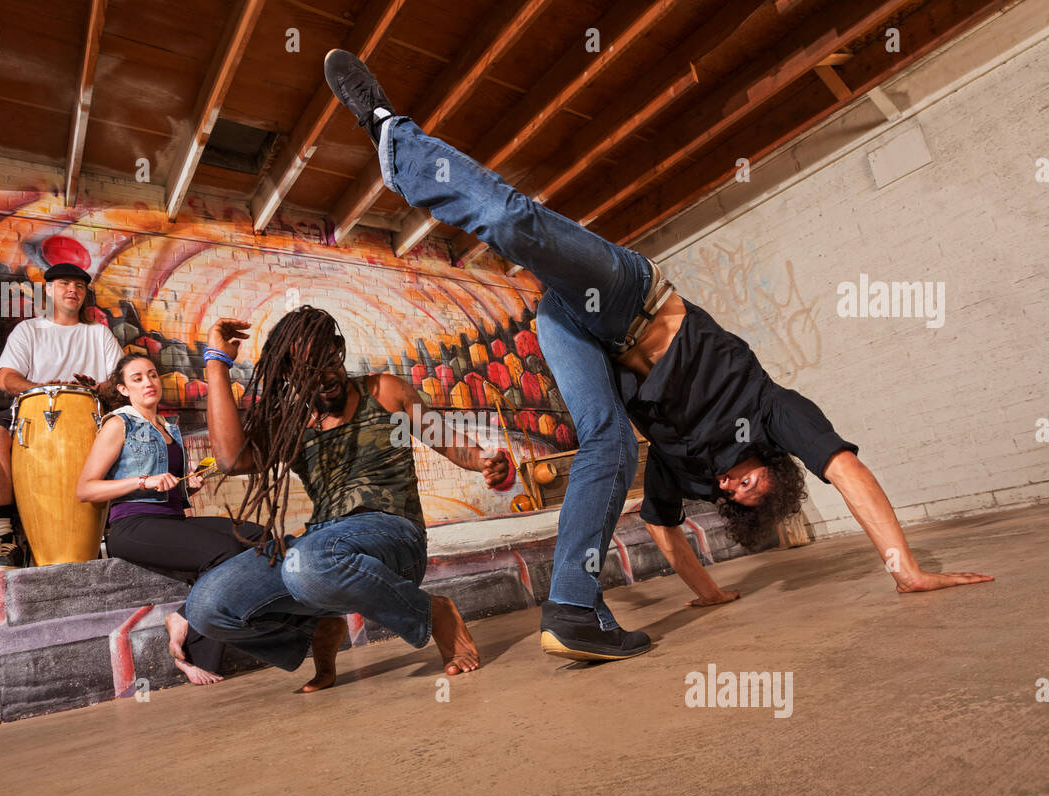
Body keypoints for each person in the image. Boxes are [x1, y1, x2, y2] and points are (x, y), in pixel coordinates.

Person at [322, 49, 992, 660]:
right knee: (510, 224)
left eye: (734, 497)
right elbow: (846, 469)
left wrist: (710, 594)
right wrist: (902, 566)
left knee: (607, 448)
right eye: (751, 486)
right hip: (628, 296)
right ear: (777, 469)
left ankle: (574, 610)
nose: (734, 486)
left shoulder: (690, 471)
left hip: (576, 330)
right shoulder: (770, 411)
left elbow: (665, 531)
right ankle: (388, 125)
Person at [184, 305, 511, 692]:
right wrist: (217, 363)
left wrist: (485, 461)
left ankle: (433, 613)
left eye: (328, 361)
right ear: (288, 374)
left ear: (339, 349)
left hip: (394, 538)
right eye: (308, 372)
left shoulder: (384, 391)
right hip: (321, 549)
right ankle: (317, 628)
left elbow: (445, 437)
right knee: (205, 607)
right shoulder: (290, 423)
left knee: (307, 563)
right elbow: (230, 459)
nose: (324, 378)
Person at [77, 353, 320, 686]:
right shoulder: (120, 424)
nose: (148, 382)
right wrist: (143, 481)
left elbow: (171, 488)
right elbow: (86, 488)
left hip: (170, 519)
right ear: (122, 388)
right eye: (137, 378)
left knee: (260, 538)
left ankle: (278, 626)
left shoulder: (171, 430)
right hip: (132, 526)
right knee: (224, 551)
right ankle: (189, 639)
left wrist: (187, 485)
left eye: (152, 374)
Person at [0, 262, 123, 569]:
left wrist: (100, 387)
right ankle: (3, 537)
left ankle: (113, 528)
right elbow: (6, 378)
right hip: (31, 410)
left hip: (90, 413)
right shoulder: (29, 330)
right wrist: (37, 387)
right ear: (49, 290)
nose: (73, 290)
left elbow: (120, 382)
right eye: (65, 284)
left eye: (80, 286)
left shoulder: (99, 334)